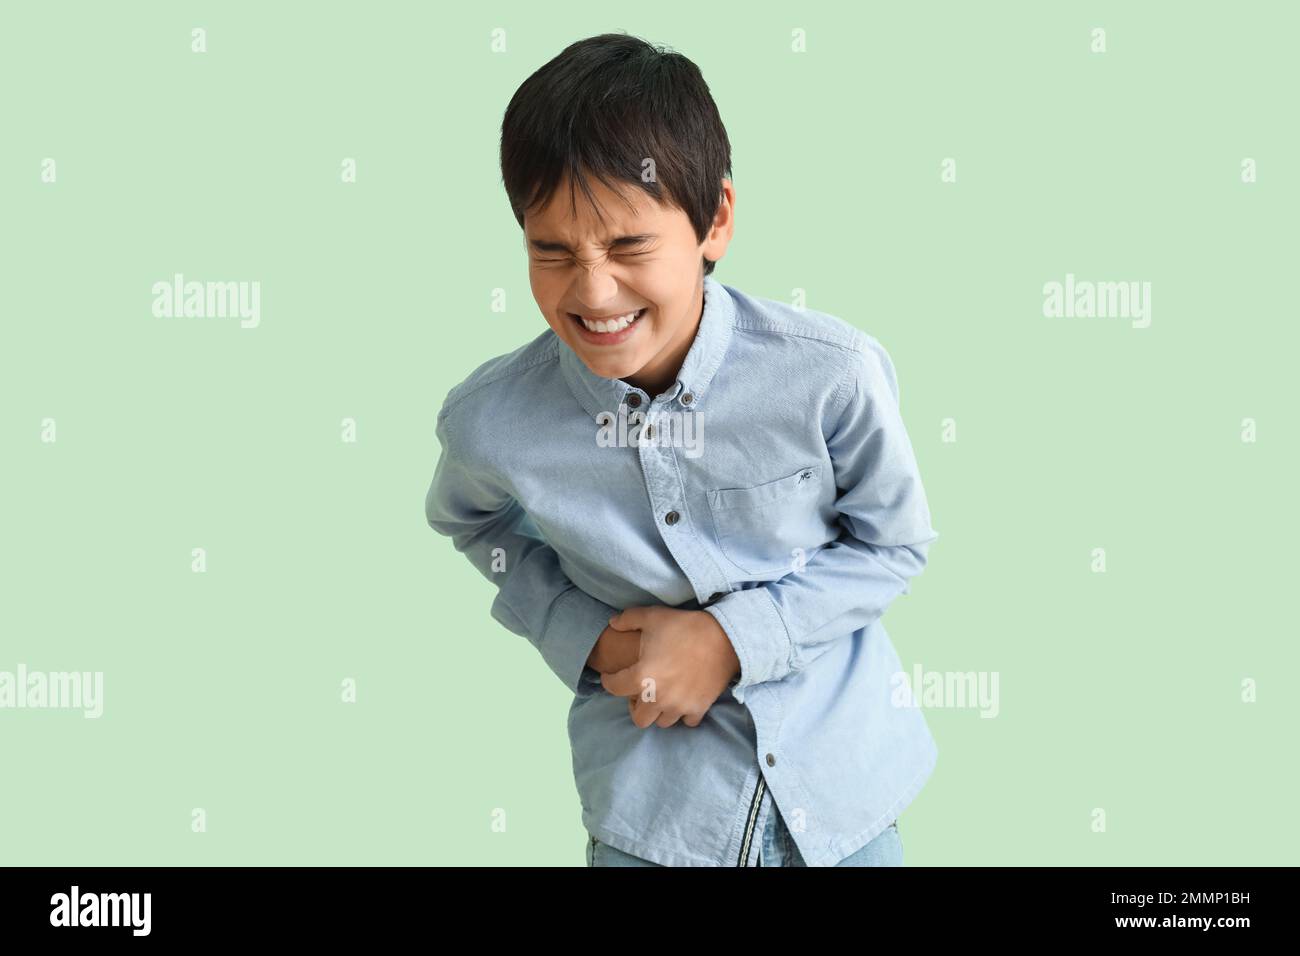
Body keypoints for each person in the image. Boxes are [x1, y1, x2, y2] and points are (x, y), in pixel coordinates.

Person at [425, 32, 939, 866]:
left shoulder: (832, 375)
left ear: (716, 221)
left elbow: (895, 542)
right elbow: (473, 529)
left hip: (844, 802)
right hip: (650, 824)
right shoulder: (492, 421)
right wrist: (577, 630)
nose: (592, 291)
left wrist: (734, 639)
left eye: (629, 247)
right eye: (551, 251)